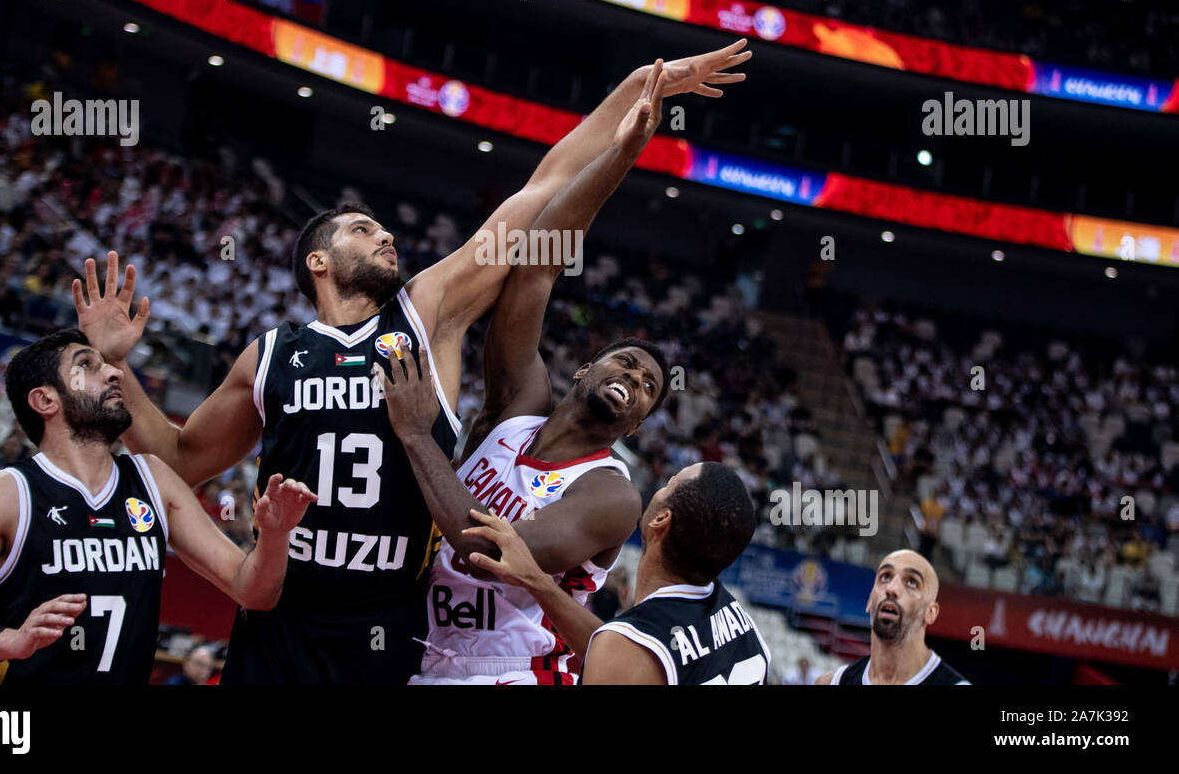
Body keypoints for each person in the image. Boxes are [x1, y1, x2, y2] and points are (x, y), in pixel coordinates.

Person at [73, 42, 751, 684]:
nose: (387, 234)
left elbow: (544, 189)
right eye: (363, 230)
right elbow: (181, 456)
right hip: (283, 609)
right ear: (319, 261)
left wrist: (639, 86)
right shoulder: (271, 354)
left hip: (388, 621)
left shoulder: (427, 312)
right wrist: (114, 366)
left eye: (384, 228)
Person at [376, 62, 673, 683]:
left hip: (513, 671)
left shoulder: (610, 493)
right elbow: (536, 266)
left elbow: (487, 552)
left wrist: (412, 434)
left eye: (649, 388)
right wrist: (621, 155)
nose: (635, 379)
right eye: (627, 362)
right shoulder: (519, 402)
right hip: (423, 649)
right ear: (585, 368)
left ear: (639, 424)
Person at [0, 329, 313, 684]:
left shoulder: (153, 479)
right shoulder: (5, 492)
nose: (113, 372)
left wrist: (275, 537)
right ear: (45, 401)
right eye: (87, 365)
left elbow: (252, 592)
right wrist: (6, 640)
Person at [458, 461, 770, 684]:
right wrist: (537, 582)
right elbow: (615, 648)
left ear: (661, 519)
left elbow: (623, 654)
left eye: (669, 483)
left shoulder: (633, 647)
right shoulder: (738, 619)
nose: (661, 488)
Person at [817, 549, 969, 685]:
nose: (891, 589)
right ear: (870, 600)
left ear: (930, 613)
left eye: (911, 582)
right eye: (885, 577)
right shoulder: (832, 682)